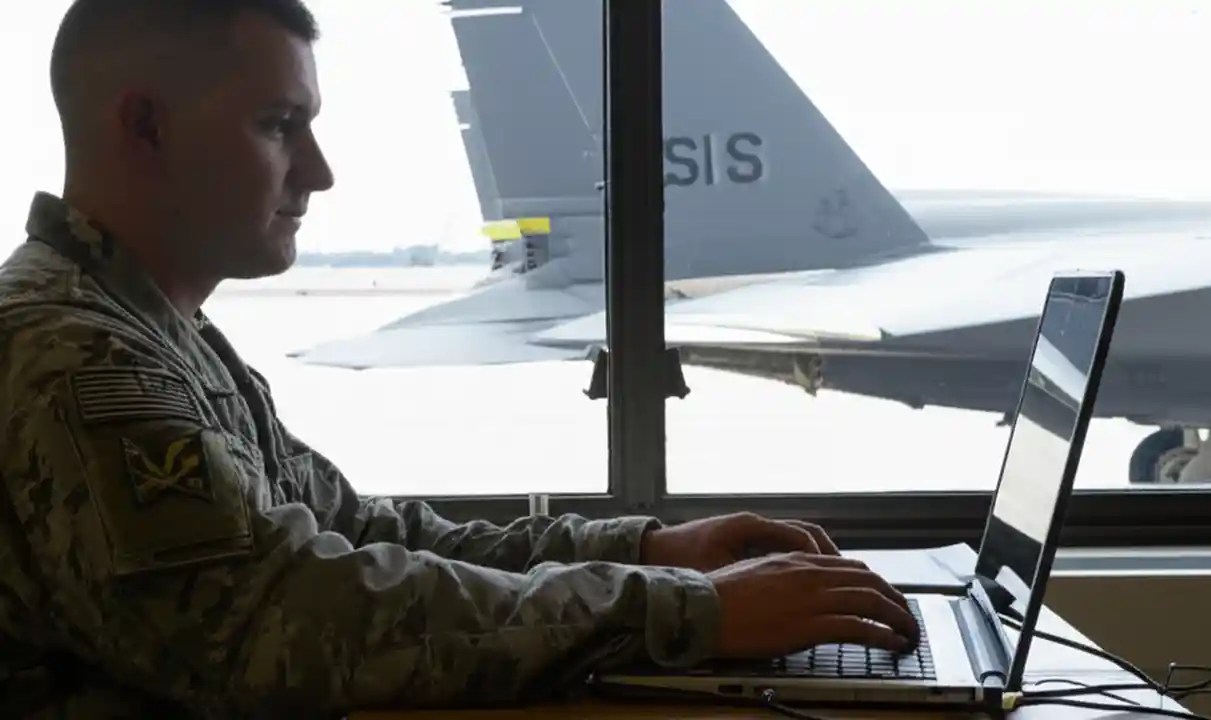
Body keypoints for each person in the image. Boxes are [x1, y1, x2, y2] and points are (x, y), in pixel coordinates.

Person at [0, 0, 919, 717]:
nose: (318, 171)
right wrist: (682, 613)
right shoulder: (75, 360)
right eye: (279, 124)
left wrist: (645, 547)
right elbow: (281, 625)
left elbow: (359, 536)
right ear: (145, 128)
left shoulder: (154, 332)